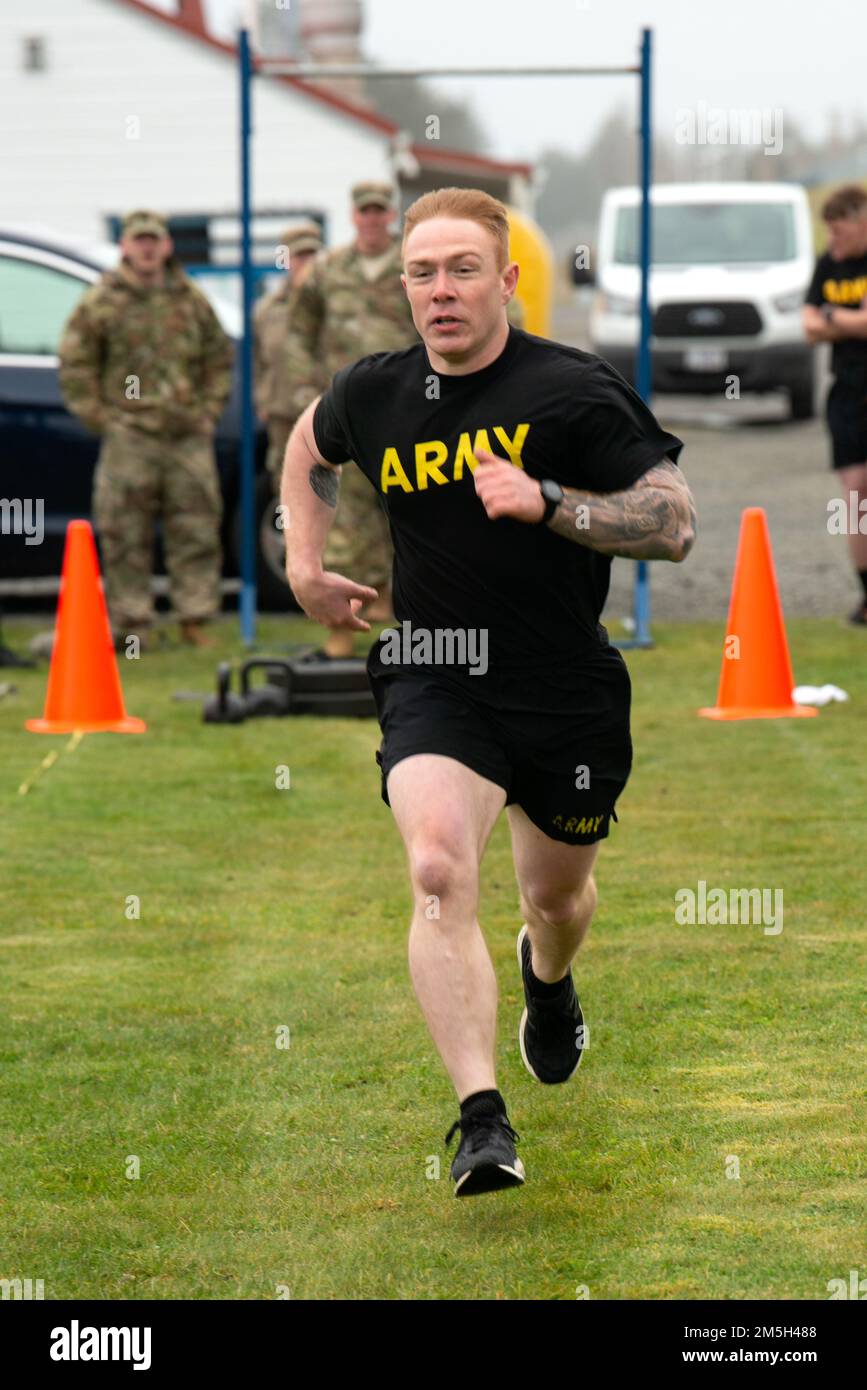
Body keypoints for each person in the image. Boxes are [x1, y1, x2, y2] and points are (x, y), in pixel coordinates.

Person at [281, 186, 695, 1198]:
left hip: (563, 685)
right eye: (421, 273)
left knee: (556, 897)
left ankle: (546, 982)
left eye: (462, 269)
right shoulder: (374, 392)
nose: (440, 291)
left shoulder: (572, 390)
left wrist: (548, 500)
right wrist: (303, 562)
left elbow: (671, 521)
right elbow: (307, 449)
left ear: (505, 279)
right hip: (435, 667)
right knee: (435, 866)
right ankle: (481, 1121)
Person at [58, 210, 234, 649]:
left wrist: (208, 410)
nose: (148, 248)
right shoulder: (103, 300)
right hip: (129, 435)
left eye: (155, 240)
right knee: (124, 531)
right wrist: (100, 418)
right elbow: (76, 360)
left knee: (195, 528)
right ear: (126, 246)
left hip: (185, 433)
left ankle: (195, 619)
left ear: (167, 245)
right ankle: (133, 624)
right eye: (139, 240)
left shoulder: (190, 298)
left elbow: (218, 357)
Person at [803, 184, 867, 624]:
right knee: (854, 496)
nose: (833, 242)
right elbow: (808, 325)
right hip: (845, 392)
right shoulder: (827, 264)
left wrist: (831, 318)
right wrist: (840, 319)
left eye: (839, 231)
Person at [253, 221, 323, 483]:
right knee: (287, 482)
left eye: (311, 255)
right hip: (283, 412)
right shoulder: (268, 309)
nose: (306, 263)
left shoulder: (332, 303)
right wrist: (263, 400)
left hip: (326, 408)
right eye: (299, 256)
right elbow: (258, 359)